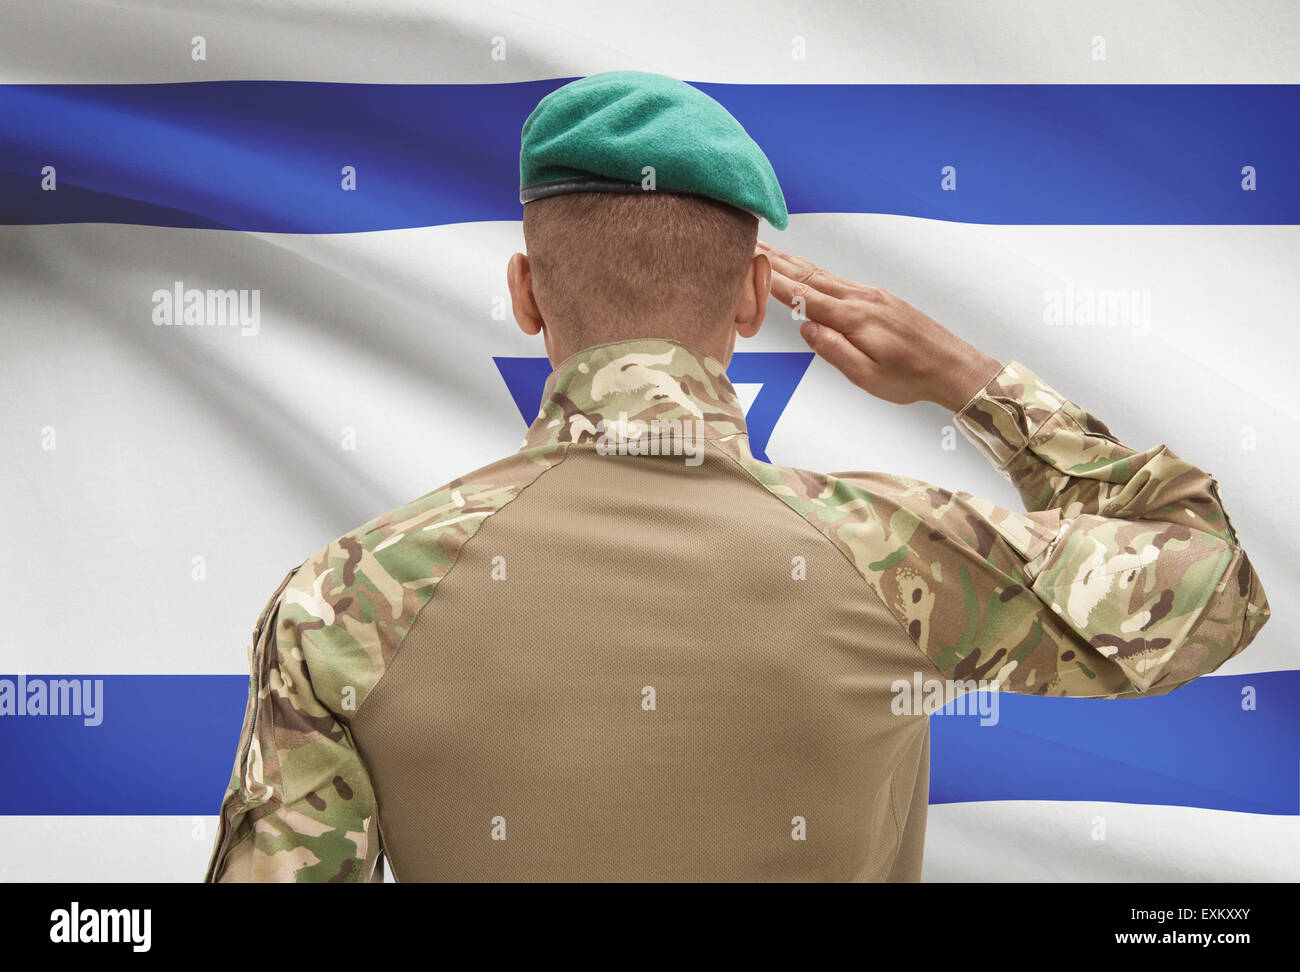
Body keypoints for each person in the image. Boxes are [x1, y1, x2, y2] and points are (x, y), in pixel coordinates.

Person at [205, 71, 1269, 882]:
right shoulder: (895, 554)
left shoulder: (341, 600)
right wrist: (971, 381)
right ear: (755, 295)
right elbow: (1214, 584)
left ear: (526, 294)